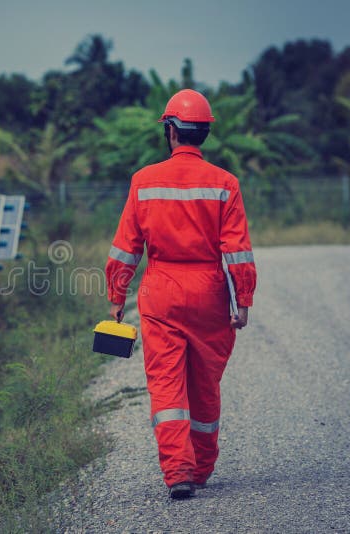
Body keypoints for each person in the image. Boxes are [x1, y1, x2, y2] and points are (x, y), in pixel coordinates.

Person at [104, 89, 257, 499]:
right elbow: (238, 251)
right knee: (205, 383)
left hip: (161, 292)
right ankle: (203, 467)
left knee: (167, 385)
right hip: (209, 293)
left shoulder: (143, 181)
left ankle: (178, 473)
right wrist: (243, 300)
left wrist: (117, 295)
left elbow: (126, 246)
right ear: (204, 133)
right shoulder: (226, 184)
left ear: (170, 131)